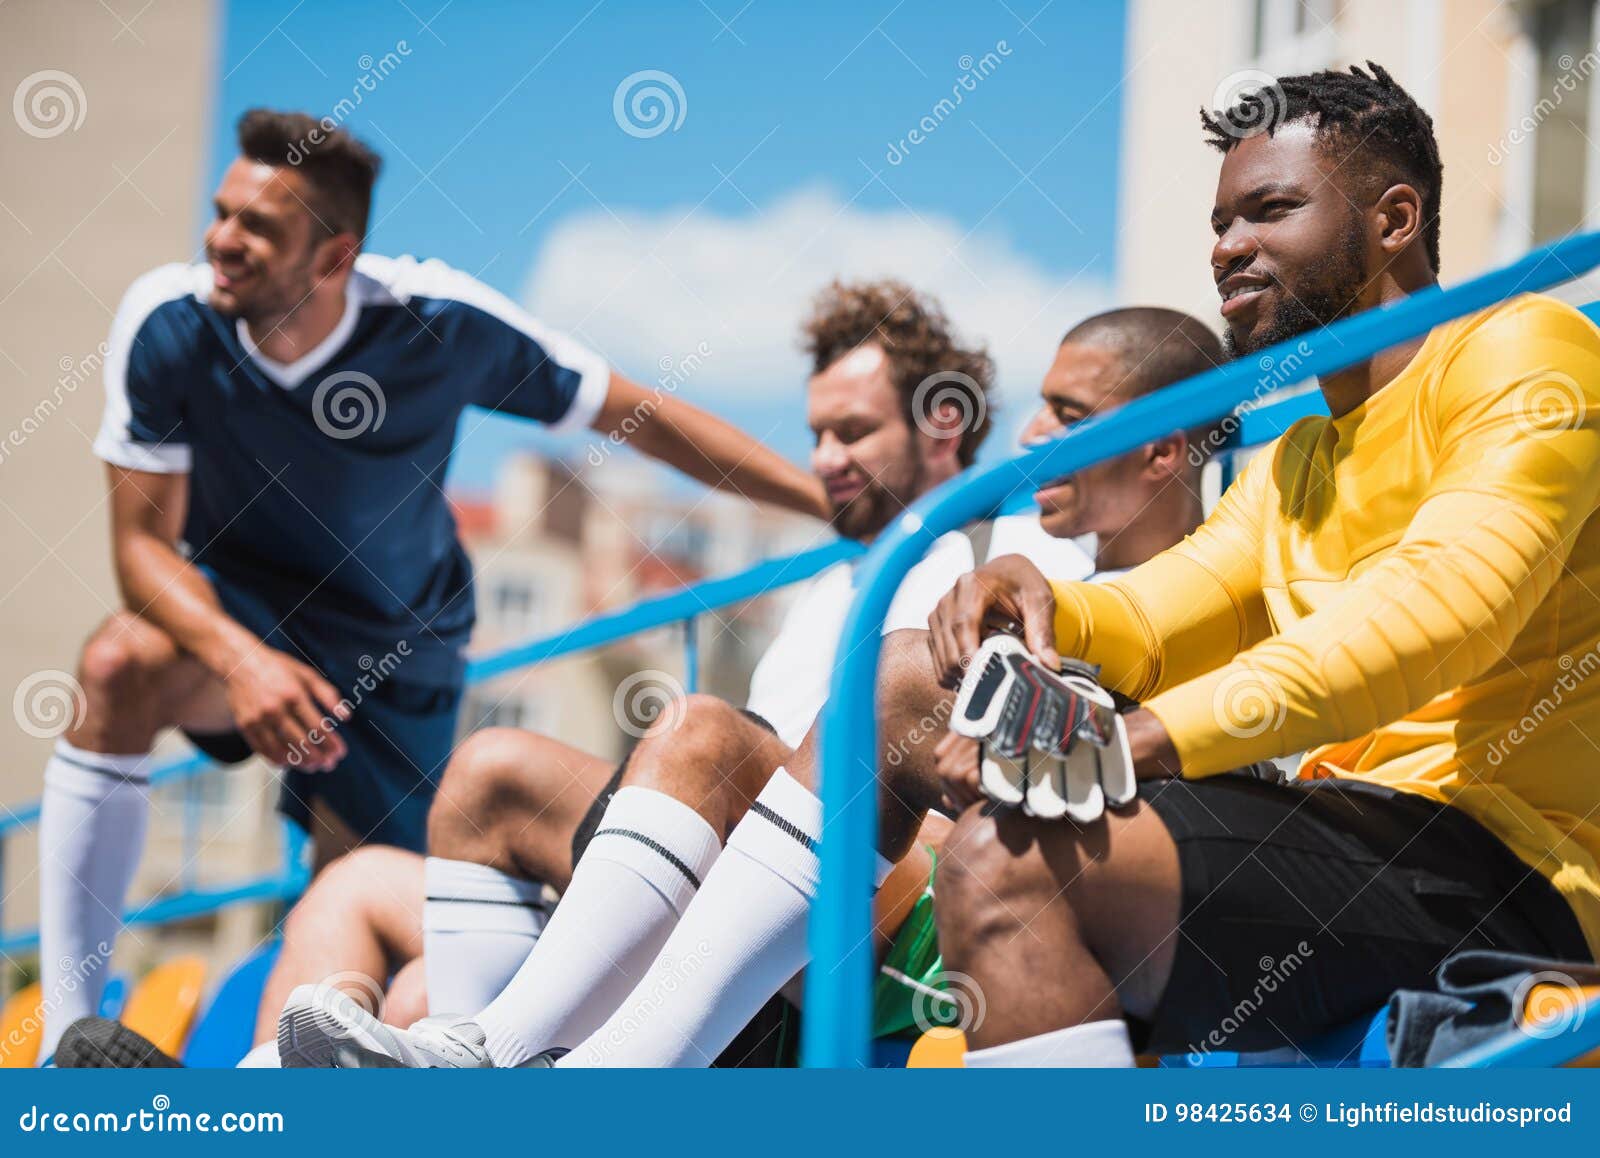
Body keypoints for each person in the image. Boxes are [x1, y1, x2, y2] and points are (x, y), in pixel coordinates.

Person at [37, 107, 829, 1060]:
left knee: (356, 902)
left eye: (259, 227)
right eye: (221, 212)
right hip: (242, 619)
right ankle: (66, 1036)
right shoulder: (167, 324)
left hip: (398, 653)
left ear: (335, 257)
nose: (222, 240)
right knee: (117, 662)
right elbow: (140, 551)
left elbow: (640, 416)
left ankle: (300, 1083)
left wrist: (829, 501)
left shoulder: (438, 322)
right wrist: (241, 662)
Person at [270, 302, 1227, 1068]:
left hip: (913, 878)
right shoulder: (832, 588)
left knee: (706, 735)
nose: (823, 458)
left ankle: (511, 1058)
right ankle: (462, 1055)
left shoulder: (1020, 551)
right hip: (787, 844)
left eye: (852, 430)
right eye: (815, 433)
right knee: (489, 770)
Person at [925, 62, 1600, 1067]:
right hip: (1355, 835)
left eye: (1270, 211)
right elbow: (1158, 616)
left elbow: (1441, 613)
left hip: (1517, 872)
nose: (1226, 247)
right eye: (1219, 223)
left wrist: (1137, 740)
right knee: (907, 677)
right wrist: (1037, 607)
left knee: (1009, 866)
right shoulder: (1296, 460)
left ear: (1395, 219)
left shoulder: (1524, 347)